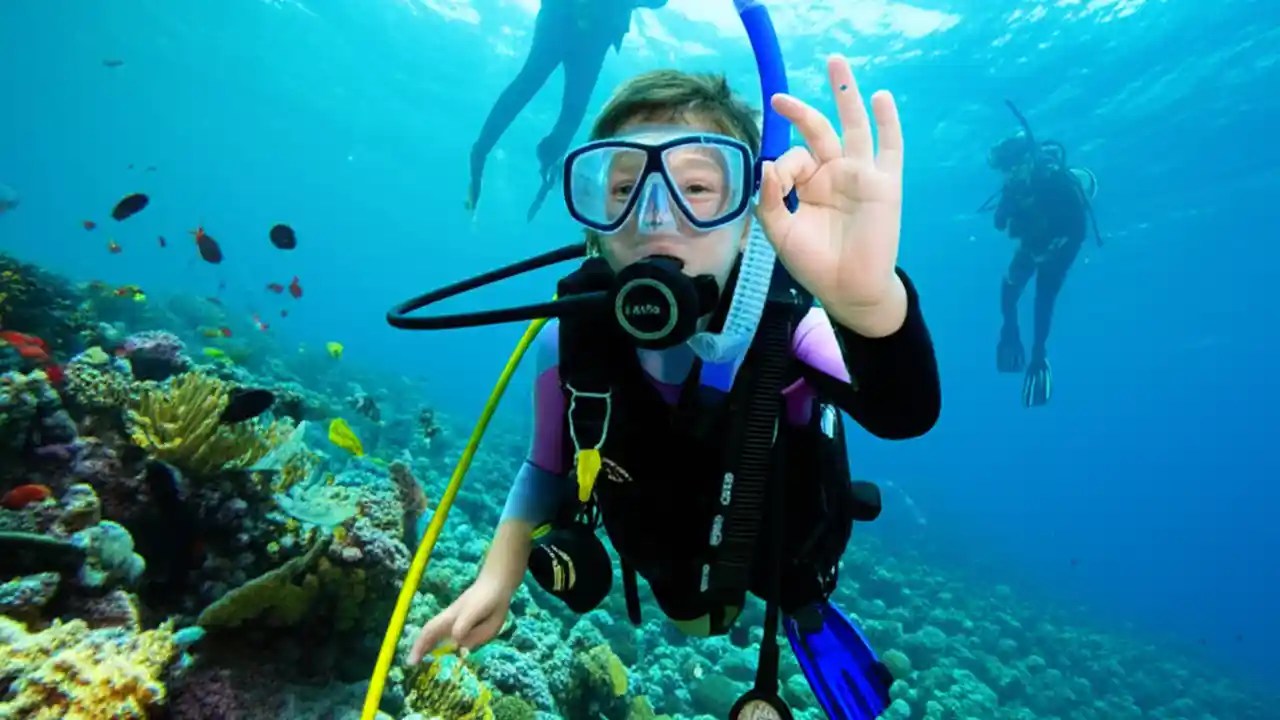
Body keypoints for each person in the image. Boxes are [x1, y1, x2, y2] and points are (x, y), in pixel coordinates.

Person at [411, 54, 941, 718]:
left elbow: (904, 411)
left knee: (779, 586)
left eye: (695, 189)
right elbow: (545, 463)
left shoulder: (792, 328)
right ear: (594, 222)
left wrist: (868, 309)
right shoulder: (570, 338)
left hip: (779, 550)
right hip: (660, 549)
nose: (653, 214)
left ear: (753, 218)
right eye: (623, 186)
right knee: (687, 611)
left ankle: (808, 616)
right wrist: (498, 573)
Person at [466, 0, 669, 218]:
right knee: (539, 89)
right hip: (571, 18)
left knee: (565, 106)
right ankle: (483, 154)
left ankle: (530, 162)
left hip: (592, 27)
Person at [987, 130, 1098, 408]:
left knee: (1044, 295)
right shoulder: (1015, 185)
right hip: (1035, 241)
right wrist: (1010, 206)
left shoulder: (1056, 183)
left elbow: (1077, 228)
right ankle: (1010, 332)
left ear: (1026, 161)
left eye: (1011, 168)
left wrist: (1055, 249)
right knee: (1010, 285)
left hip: (1061, 243)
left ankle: (1038, 354)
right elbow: (1001, 222)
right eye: (1005, 171)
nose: (1009, 175)